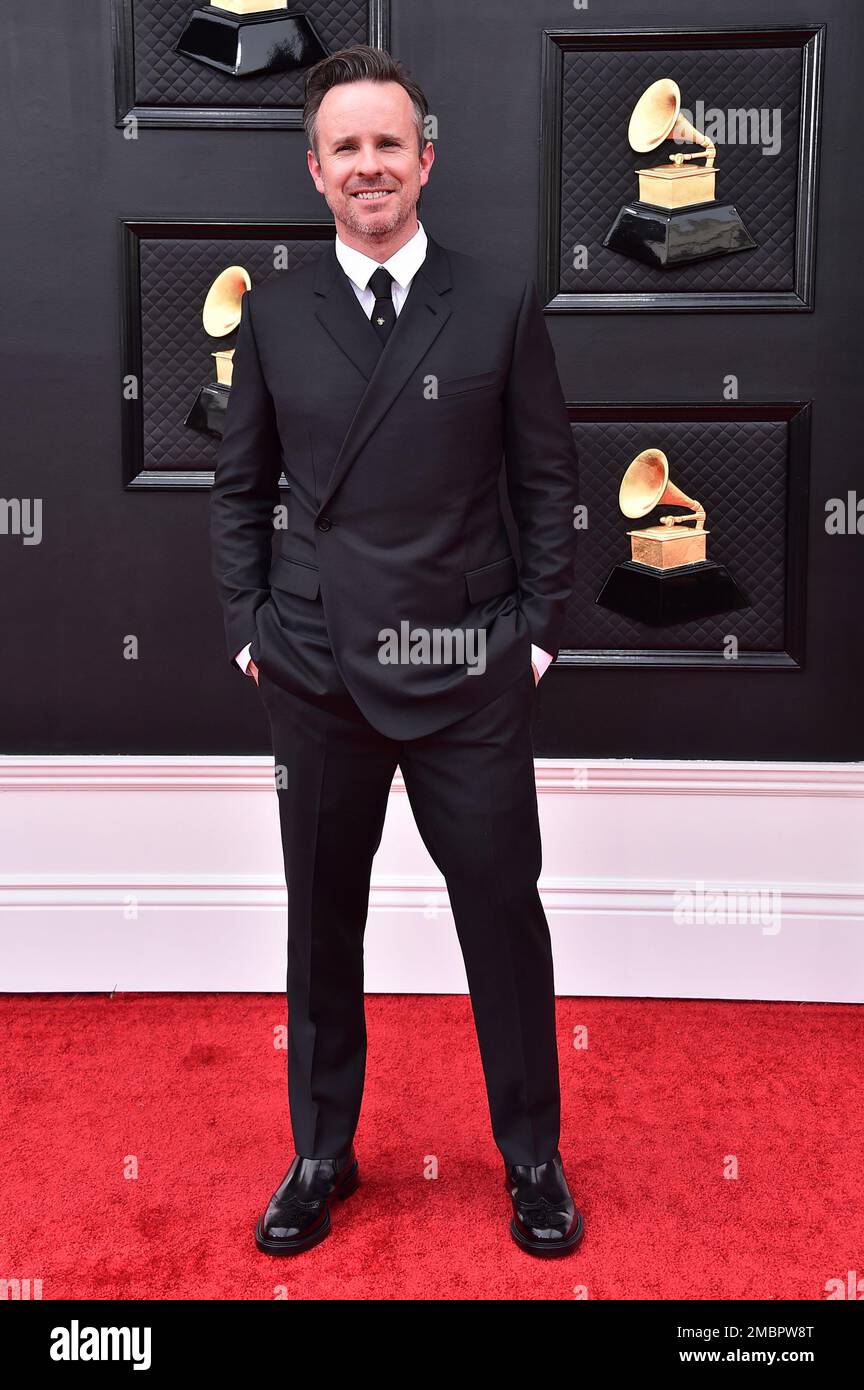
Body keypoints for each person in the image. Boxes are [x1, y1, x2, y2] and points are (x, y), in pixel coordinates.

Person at [210, 44, 582, 1258]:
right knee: (321, 920)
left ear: (426, 159)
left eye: (389, 143)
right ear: (314, 170)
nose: (369, 166)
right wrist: (252, 636)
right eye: (346, 148)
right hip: (316, 669)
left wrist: (532, 639)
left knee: (501, 916)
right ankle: (322, 1148)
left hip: (470, 662)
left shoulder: (496, 299)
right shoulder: (273, 315)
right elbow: (236, 490)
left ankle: (532, 1156)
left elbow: (546, 477)